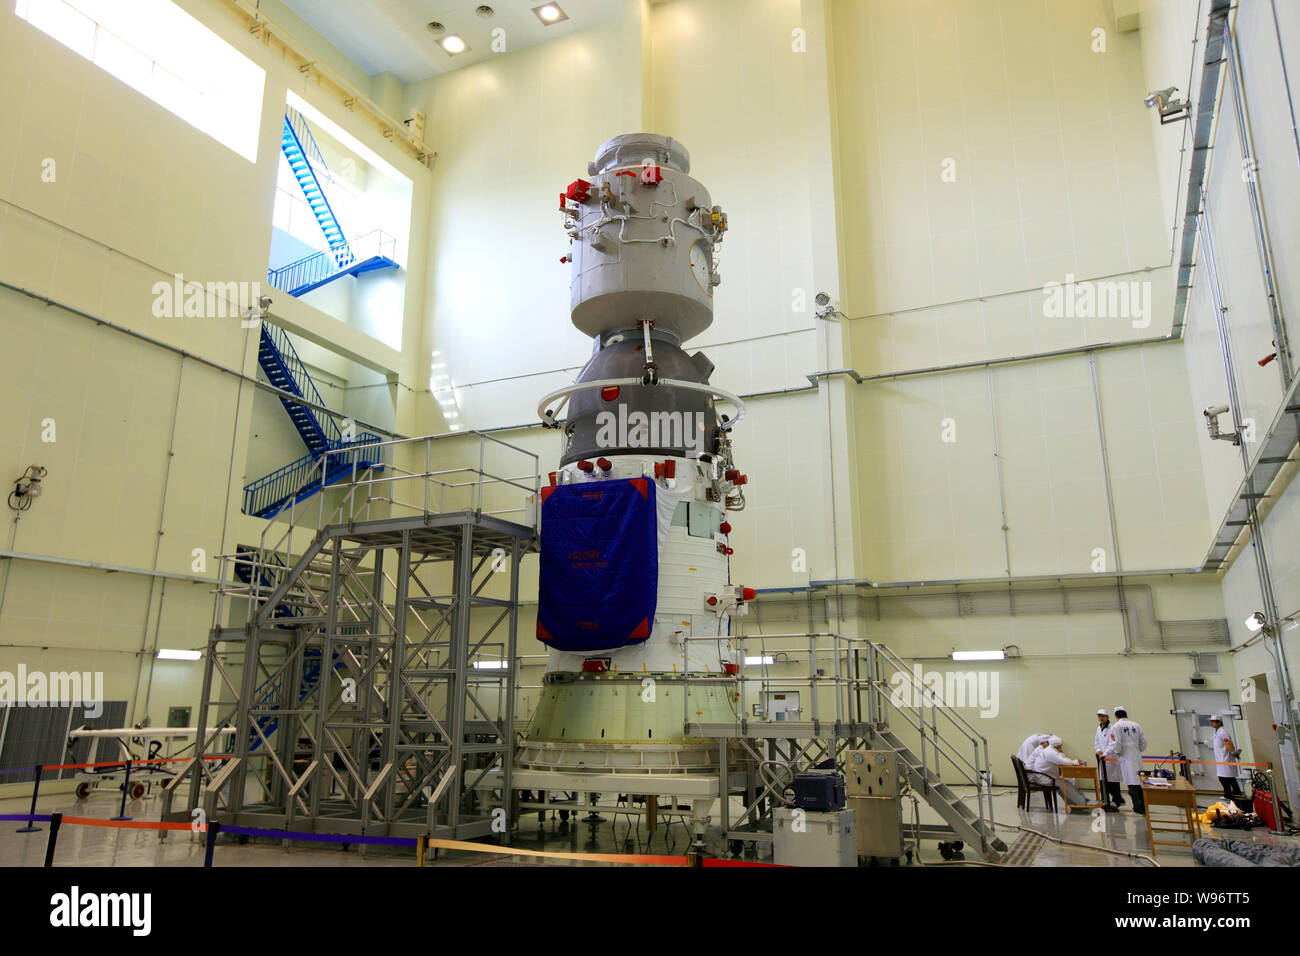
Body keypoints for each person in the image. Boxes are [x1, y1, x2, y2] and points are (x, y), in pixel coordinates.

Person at [1028, 736, 1087, 809]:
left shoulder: (1050, 750)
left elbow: (1061, 757)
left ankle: (1075, 804)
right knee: (1066, 786)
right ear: (1057, 746)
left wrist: (1073, 761)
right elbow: (1061, 761)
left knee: (1066, 783)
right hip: (1043, 779)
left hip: (1044, 776)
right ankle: (1082, 803)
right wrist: (1075, 762)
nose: (1061, 747)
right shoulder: (1050, 752)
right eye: (1061, 746)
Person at [1110, 706, 1148, 814]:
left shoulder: (1116, 726)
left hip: (1126, 758)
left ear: (1116, 715)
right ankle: (1143, 806)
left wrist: (1118, 752)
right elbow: (1144, 742)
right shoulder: (1136, 725)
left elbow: (1117, 743)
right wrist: (1136, 750)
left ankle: (1138, 807)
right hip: (1136, 757)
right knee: (1139, 782)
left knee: (1131, 783)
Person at [1094, 708, 1123, 808]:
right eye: (1099, 716)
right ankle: (1105, 800)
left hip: (1110, 758)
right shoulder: (1098, 728)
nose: (1101, 718)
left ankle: (1117, 801)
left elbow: (1113, 744)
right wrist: (1098, 751)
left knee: (1113, 781)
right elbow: (1097, 741)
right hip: (1102, 758)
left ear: (1107, 717)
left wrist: (1105, 754)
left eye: (1102, 716)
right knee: (1103, 780)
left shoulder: (1112, 728)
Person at [1210, 714, 1242, 802]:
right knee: (1224, 778)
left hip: (1226, 758)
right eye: (1211, 722)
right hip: (1220, 758)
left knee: (1229, 778)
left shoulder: (1223, 732)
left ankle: (1236, 795)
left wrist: (1233, 753)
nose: (1212, 723)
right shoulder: (1217, 732)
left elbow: (1228, 743)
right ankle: (1228, 794)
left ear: (1219, 722)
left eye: (1214, 722)